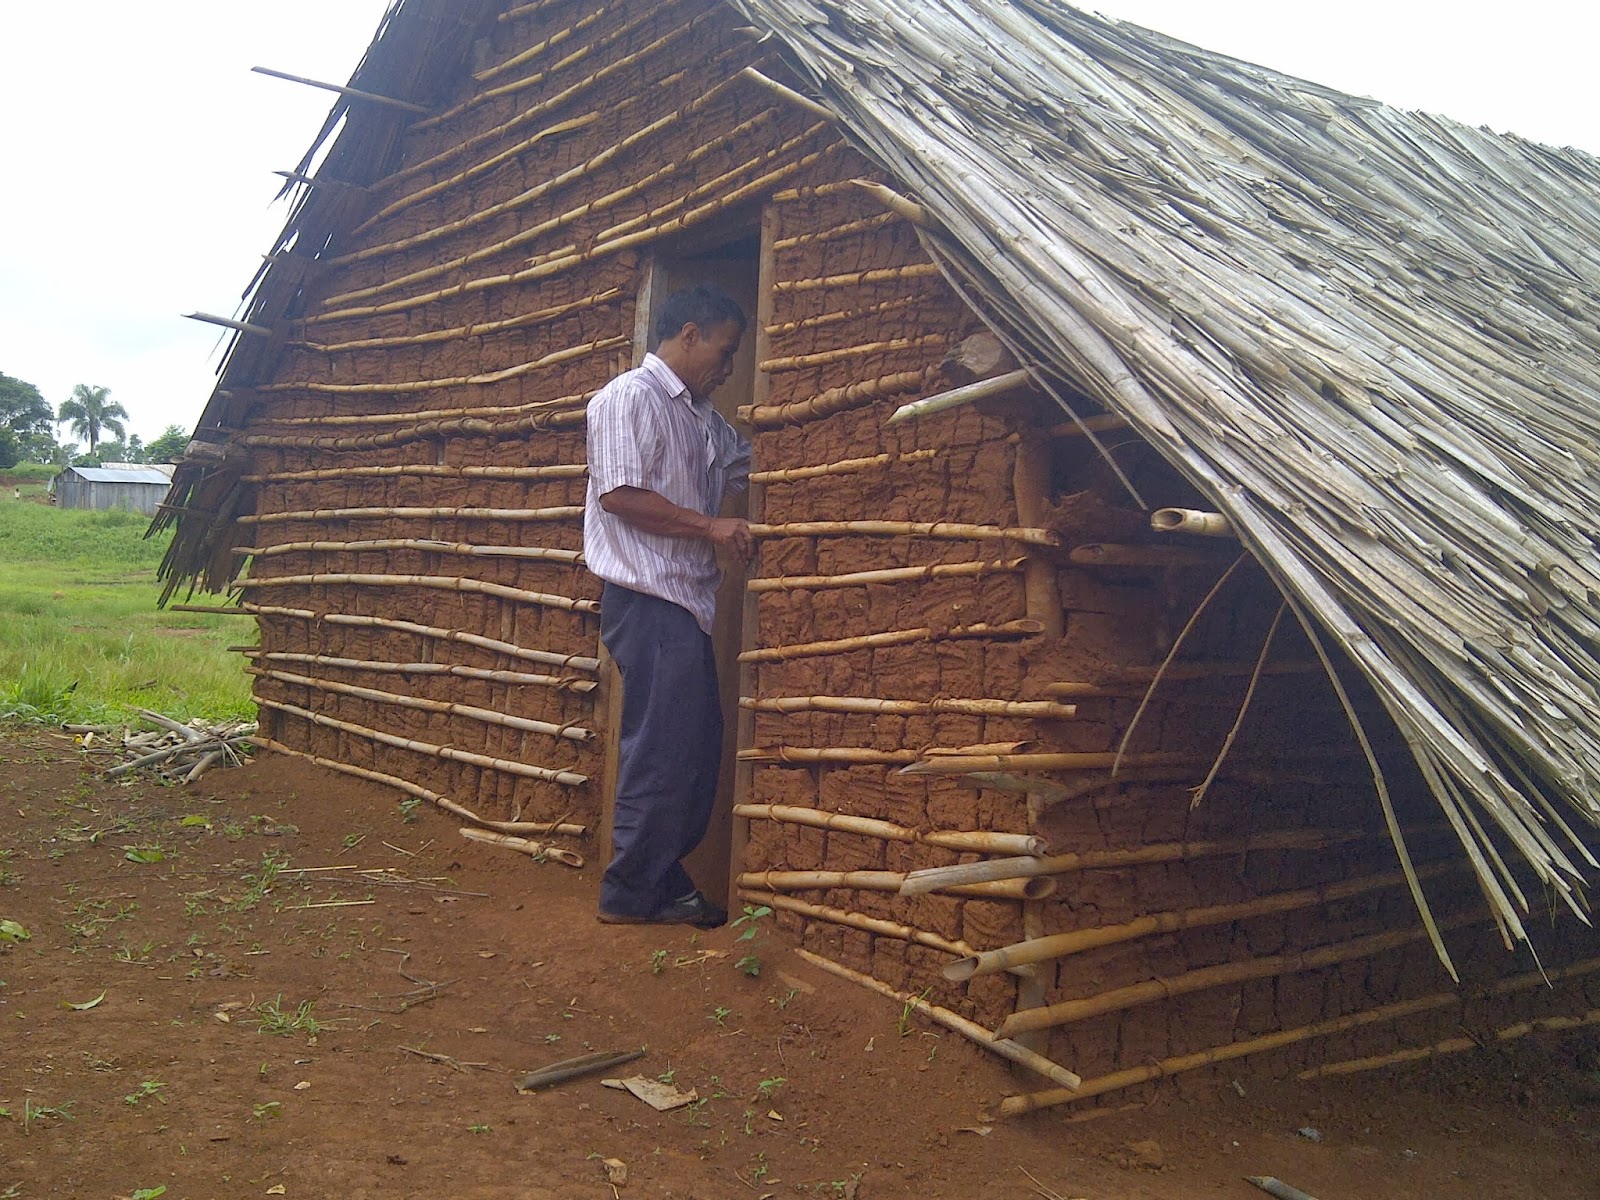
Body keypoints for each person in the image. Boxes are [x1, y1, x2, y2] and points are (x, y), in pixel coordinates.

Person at [584, 282, 753, 928]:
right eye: (725, 350)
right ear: (689, 335)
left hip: (685, 606)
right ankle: (631, 892)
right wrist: (711, 528)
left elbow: (753, 464)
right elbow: (621, 495)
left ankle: (661, 877)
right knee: (662, 748)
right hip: (647, 597)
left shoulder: (704, 420)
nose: (729, 366)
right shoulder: (628, 399)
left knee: (694, 746)